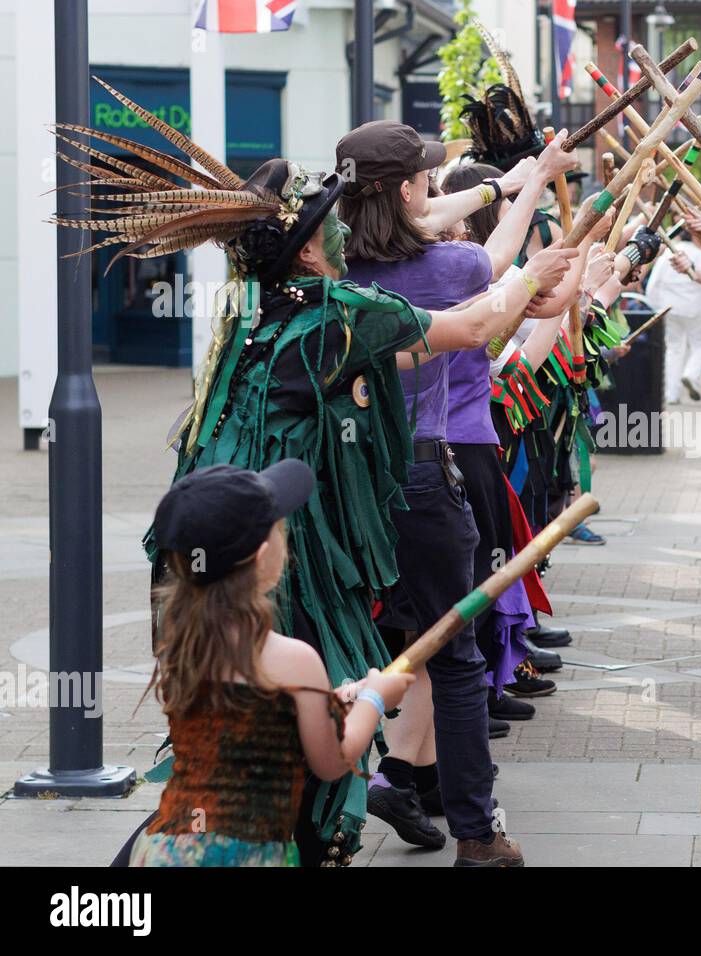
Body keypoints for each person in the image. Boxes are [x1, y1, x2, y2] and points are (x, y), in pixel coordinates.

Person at [55, 78, 573, 865]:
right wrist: (538, 276)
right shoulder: (337, 313)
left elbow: (414, 339)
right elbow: (469, 324)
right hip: (287, 538)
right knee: (337, 684)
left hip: (228, 532)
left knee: (253, 701)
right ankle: (395, 831)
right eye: (323, 229)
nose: (338, 238)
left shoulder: (256, 312)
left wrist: (515, 208)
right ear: (304, 246)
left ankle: (215, 839)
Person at [336, 119, 579, 864]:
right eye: (420, 179)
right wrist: (535, 202)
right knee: (456, 657)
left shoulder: (327, 268)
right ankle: (477, 833)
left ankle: (330, 818)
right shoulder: (448, 268)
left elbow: (443, 224)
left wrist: (515, 182)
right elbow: (499, 259)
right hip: (421, 474)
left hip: (341, 485)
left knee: (347, 648)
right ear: (411, 190)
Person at [132, 461, 415, 866]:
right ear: (265, 557)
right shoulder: (294, 659)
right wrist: (373, 699)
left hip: (171, 848)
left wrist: (330, 700)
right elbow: (332, 760)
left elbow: (249, 724)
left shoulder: (184, 645)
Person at [647, 239, 701, 404]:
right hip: (694, 308)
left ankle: (672, 392)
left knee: (674, 348)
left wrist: (655, 306)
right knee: (700, 345)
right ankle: (691, 375)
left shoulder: (669, 254)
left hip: (669, 307)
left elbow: (654, 282)